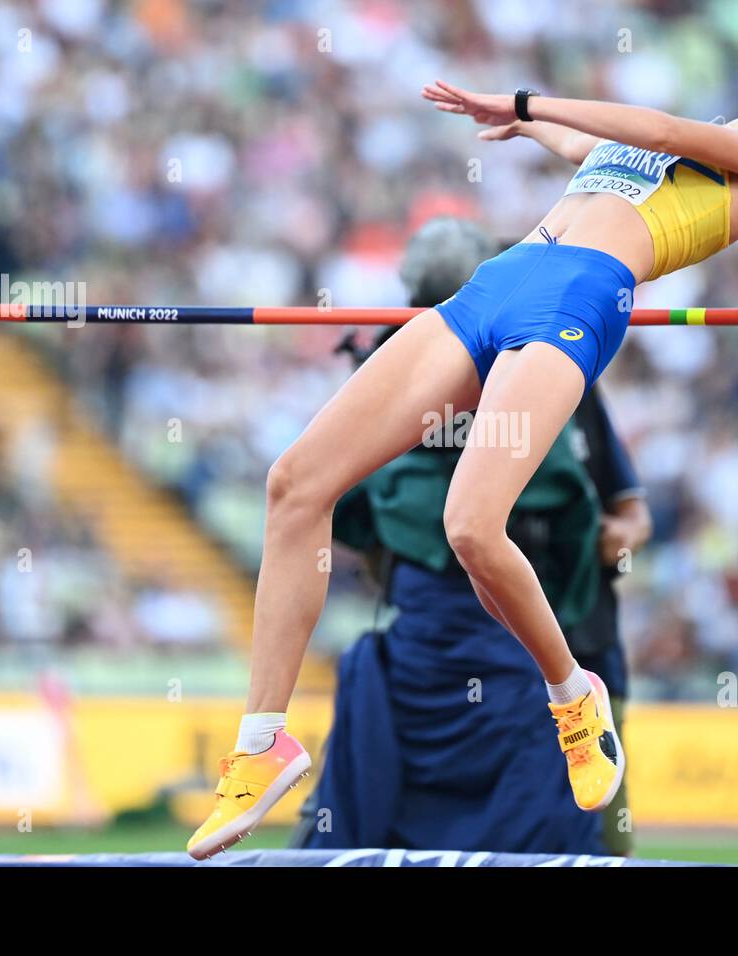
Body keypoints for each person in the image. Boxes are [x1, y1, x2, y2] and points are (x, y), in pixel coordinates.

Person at [187, 81, 738, 858]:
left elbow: (659, 130)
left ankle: (573, 696)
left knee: (471, 524)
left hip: (573, 297)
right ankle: (263, 744)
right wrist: (532, 127)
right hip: (496, 283)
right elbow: (612, 147)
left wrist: (529, 101)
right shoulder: (720, 158)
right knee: (297, 484)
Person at [291, 218, 649, 855]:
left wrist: (606, 543)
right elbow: (336, 499)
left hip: (557, 646)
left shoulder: (555, 366)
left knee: (590, 822)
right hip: (440, 646)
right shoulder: (395, 369)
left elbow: (625, 517)